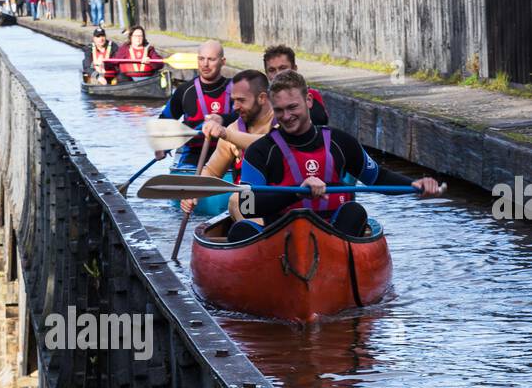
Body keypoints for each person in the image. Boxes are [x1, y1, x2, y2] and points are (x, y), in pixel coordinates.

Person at [225, 70, 442, 243]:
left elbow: (377, 178)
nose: (287, 116)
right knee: (241, 230)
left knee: (355, 211)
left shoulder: (341, 142)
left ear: (308, 100)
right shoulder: (260, 151)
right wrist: (299, 193)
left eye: (293, 107)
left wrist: (413, 184)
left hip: (334, 236)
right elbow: (247, 206)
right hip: (280, 237)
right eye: (279, 110)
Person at [180, 70, 274, 216]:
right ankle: (255, 232)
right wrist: (193, 191)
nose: (235, 106)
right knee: (237, 199)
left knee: (239, 199)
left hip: (281, 197)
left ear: (262, 98)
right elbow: (212, 171)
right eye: (233, 100)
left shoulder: (283, 122)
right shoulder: (234, 128)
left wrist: (226, 134)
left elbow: (269, 144)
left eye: (241, 100)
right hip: (249, 203)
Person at [155, 40, 232, 170]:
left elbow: (250, 119)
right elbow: (164, 121)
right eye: (201, 59)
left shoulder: (236, 89)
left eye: (211, 59)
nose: (205, 64)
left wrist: (223, 119)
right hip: (193, 157)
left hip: (228, 156)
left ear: (222, 62)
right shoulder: (184, 91)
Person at [263, 43, 328, 125]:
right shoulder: (262, 100)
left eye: (283, 68)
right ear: (266, 73)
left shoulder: (311, 94)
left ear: (294, 69)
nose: (278, 74)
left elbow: (319, 122)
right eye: (272, 70)